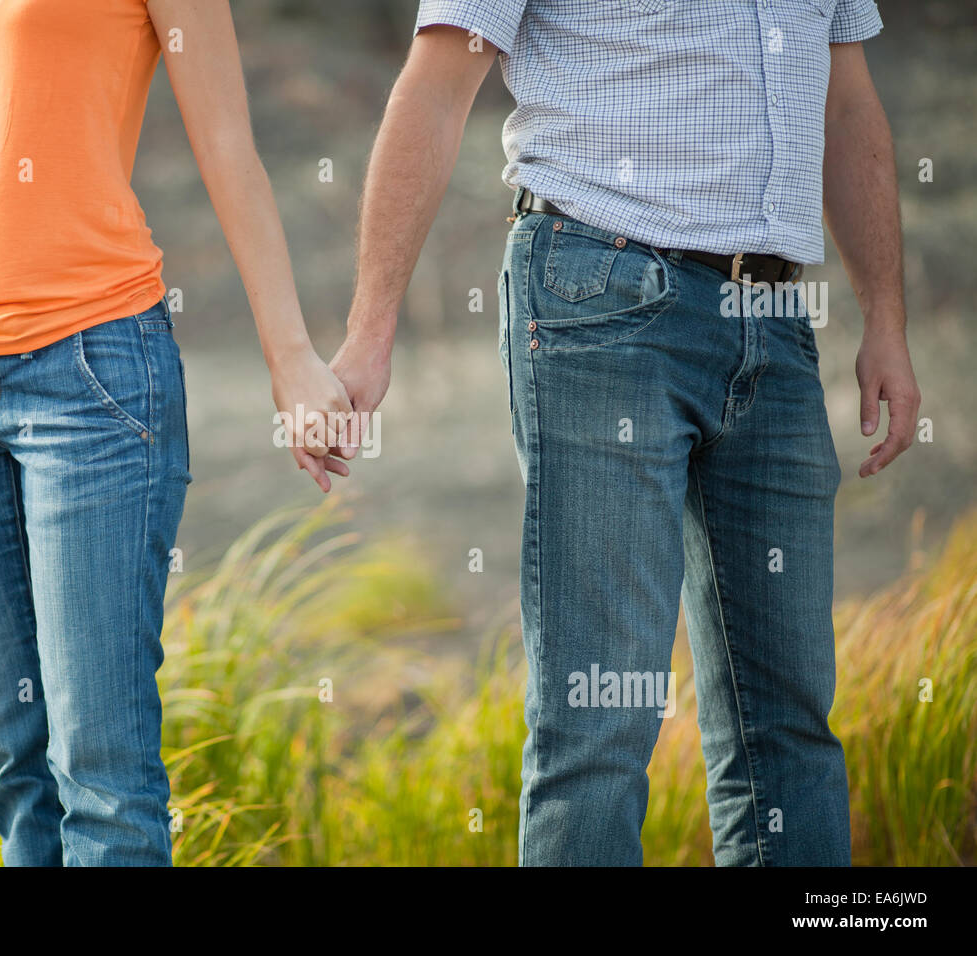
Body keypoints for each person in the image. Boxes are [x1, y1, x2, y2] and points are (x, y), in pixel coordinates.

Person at [330, 0, 920, 865]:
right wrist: (370, 331)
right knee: (599, 725)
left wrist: (888, 319)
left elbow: (846, 101)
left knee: (788, 724)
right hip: (601, 289)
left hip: (776, 318)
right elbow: (437, 80)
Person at [0, 0, 350, 866]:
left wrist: (293, 357)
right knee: (18, 761)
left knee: (102, 772)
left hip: (89, 373)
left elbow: (230, 149)